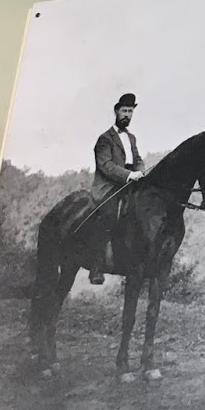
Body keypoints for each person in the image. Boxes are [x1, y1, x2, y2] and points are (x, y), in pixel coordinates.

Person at [87, 92, 145, 285]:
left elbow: (137, 159)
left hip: (130, 184)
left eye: (130, 111)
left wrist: (140, 172)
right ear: (116, 111)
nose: (127, 115)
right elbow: (106, 166)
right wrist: (128, 175)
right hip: (108, 187)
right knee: (109, 215)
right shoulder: (105, 139)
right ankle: (96, 266)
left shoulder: (132, 138)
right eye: (124, 111)